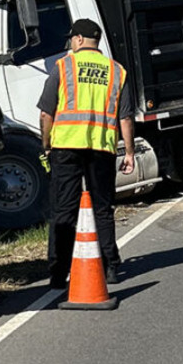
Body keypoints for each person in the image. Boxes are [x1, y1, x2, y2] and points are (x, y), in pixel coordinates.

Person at [39, 18, 136, 290]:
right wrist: (128, 152)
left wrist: (46, 143)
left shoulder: (63, 67)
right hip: (101, 148)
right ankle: (111, 268)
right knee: (102, 209)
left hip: (66, 147)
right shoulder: (117, 71)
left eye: (72, 38)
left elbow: (46, 113)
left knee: (63, 210)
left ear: (79, 39)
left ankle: (59, 273)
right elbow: (125, 117)